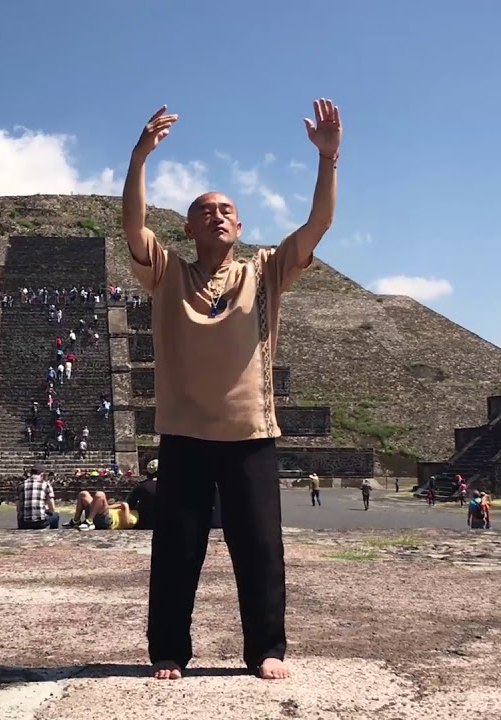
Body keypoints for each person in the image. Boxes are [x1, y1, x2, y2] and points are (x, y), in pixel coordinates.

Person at [123, 98, 341, 681]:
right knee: (176, 551)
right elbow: (131, 226)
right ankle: (168, 650)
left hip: (250, 433)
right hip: (185, 432)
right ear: (189, 227)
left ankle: (267, 649)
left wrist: (328, 160)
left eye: (226, 210)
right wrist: (140, 156)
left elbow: (318, 225)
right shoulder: (167, 272)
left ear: (239, 227)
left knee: (261, 552)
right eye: (204, 210)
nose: (217, 215)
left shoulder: (263, 272)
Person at [16, 465, 59, 529]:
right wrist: (47, 509)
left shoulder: (21, 485)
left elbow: (18, 509)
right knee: (55, 515)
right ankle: (53, 532)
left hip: (23, 524)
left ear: (31, 473)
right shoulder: (46, 484)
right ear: (42, 474)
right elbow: (52, 507)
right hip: (40, 522)